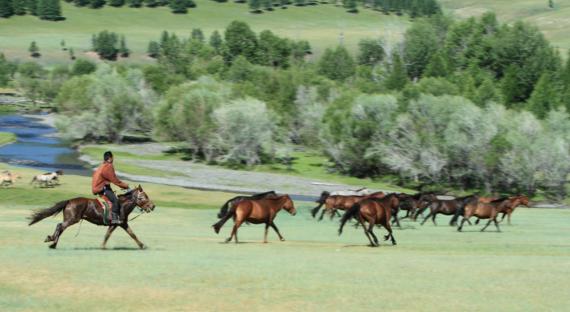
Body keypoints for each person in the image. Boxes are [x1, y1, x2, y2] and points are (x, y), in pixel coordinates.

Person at [92, 151, 129, 224]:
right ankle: (114, 219)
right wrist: (126, 186)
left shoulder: (103, 165)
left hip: (100, 187)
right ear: (110, 158)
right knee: (115, 200)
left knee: (113, 195)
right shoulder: (108, 166)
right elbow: (115, 180)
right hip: (101, 188)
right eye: (112, 158)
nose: (113, 160)